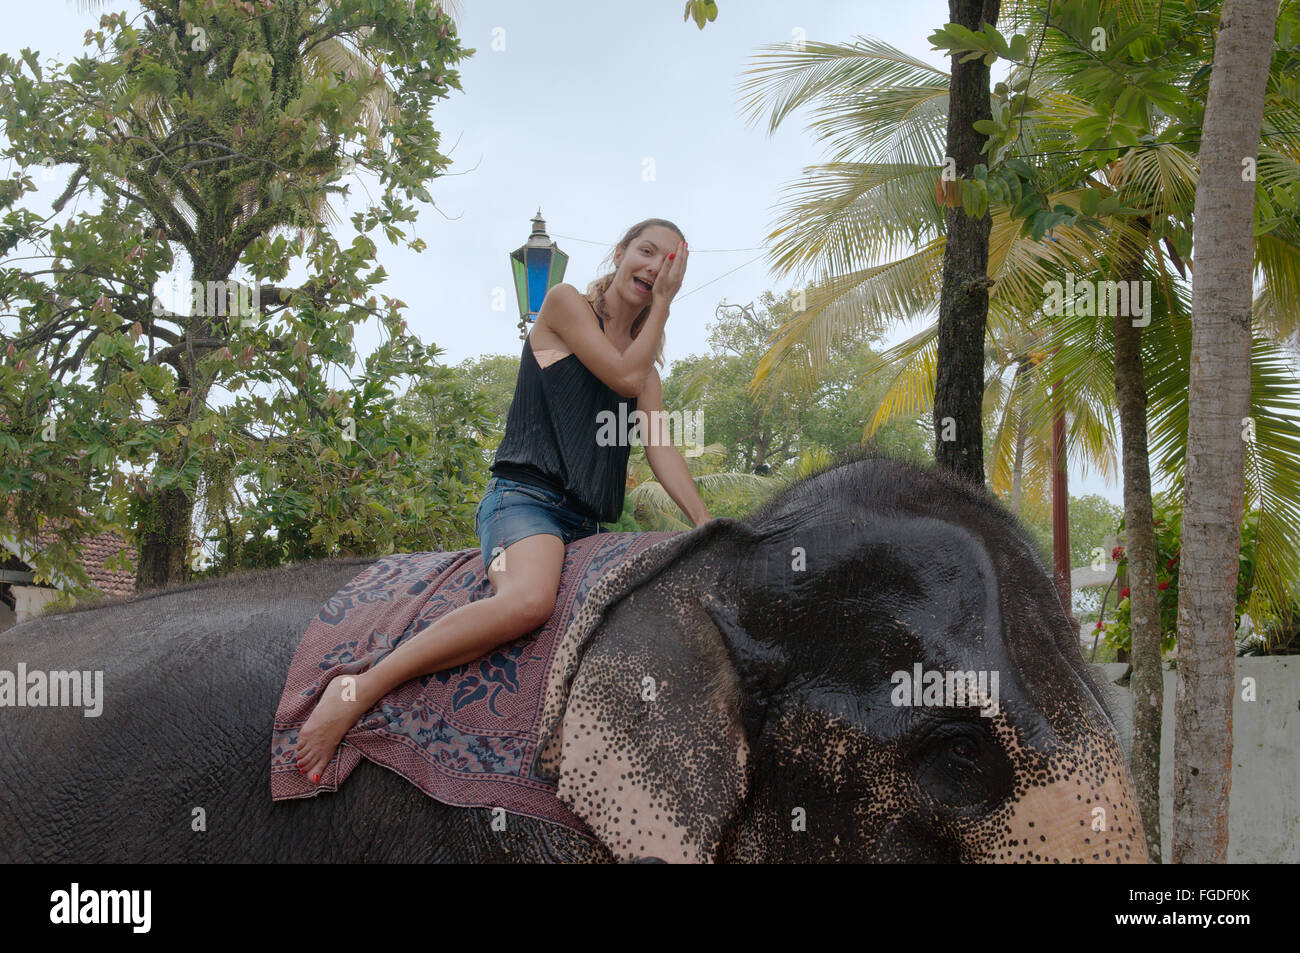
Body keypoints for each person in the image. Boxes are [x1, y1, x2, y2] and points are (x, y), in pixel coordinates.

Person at [294, 218, 711, 782]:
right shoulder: (564, 305)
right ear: (620, 253)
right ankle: (357, 688)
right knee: (529, 602)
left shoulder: (647, 374)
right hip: (525, 500)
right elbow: (620, 373)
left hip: (587, 527)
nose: (653, 266)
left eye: (668, 261)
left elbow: (661, 449)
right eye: (645, 250)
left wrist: (709, 525)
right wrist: (663, 304)